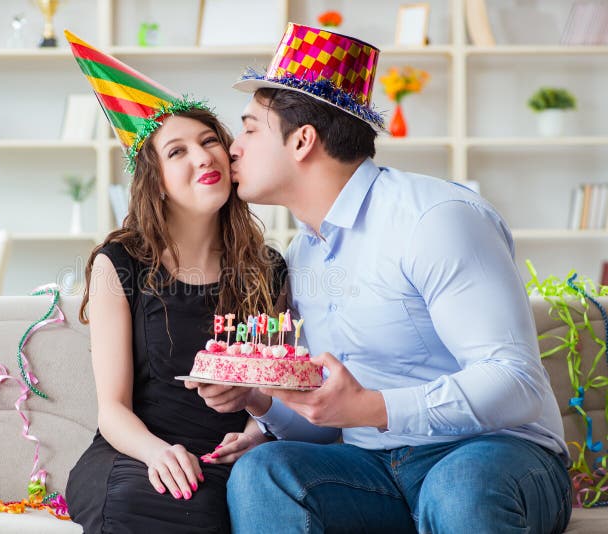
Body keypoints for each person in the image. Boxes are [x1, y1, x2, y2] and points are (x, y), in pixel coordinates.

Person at [191, 24, 572, 533]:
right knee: (265, 472)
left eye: (251, 129)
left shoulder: (435, 219)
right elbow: (333, 421)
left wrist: (374, 407)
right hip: (374, 468)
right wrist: (260, 402)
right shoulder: (303, 254)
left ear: (303, 140)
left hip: (496, 456)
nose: (231, 149)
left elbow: (515, 382)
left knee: (456, 488)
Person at [62, 31, 286, 533]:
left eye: (210, 142)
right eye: (177, 151)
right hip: (140, 457)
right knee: (167, 503)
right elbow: (112, 411)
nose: (203, 157)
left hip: (233, 463)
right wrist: (159, 453)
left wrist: (255, 432)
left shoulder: (269, 269)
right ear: (155, 180)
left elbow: (281, 389)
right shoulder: (119, 264)